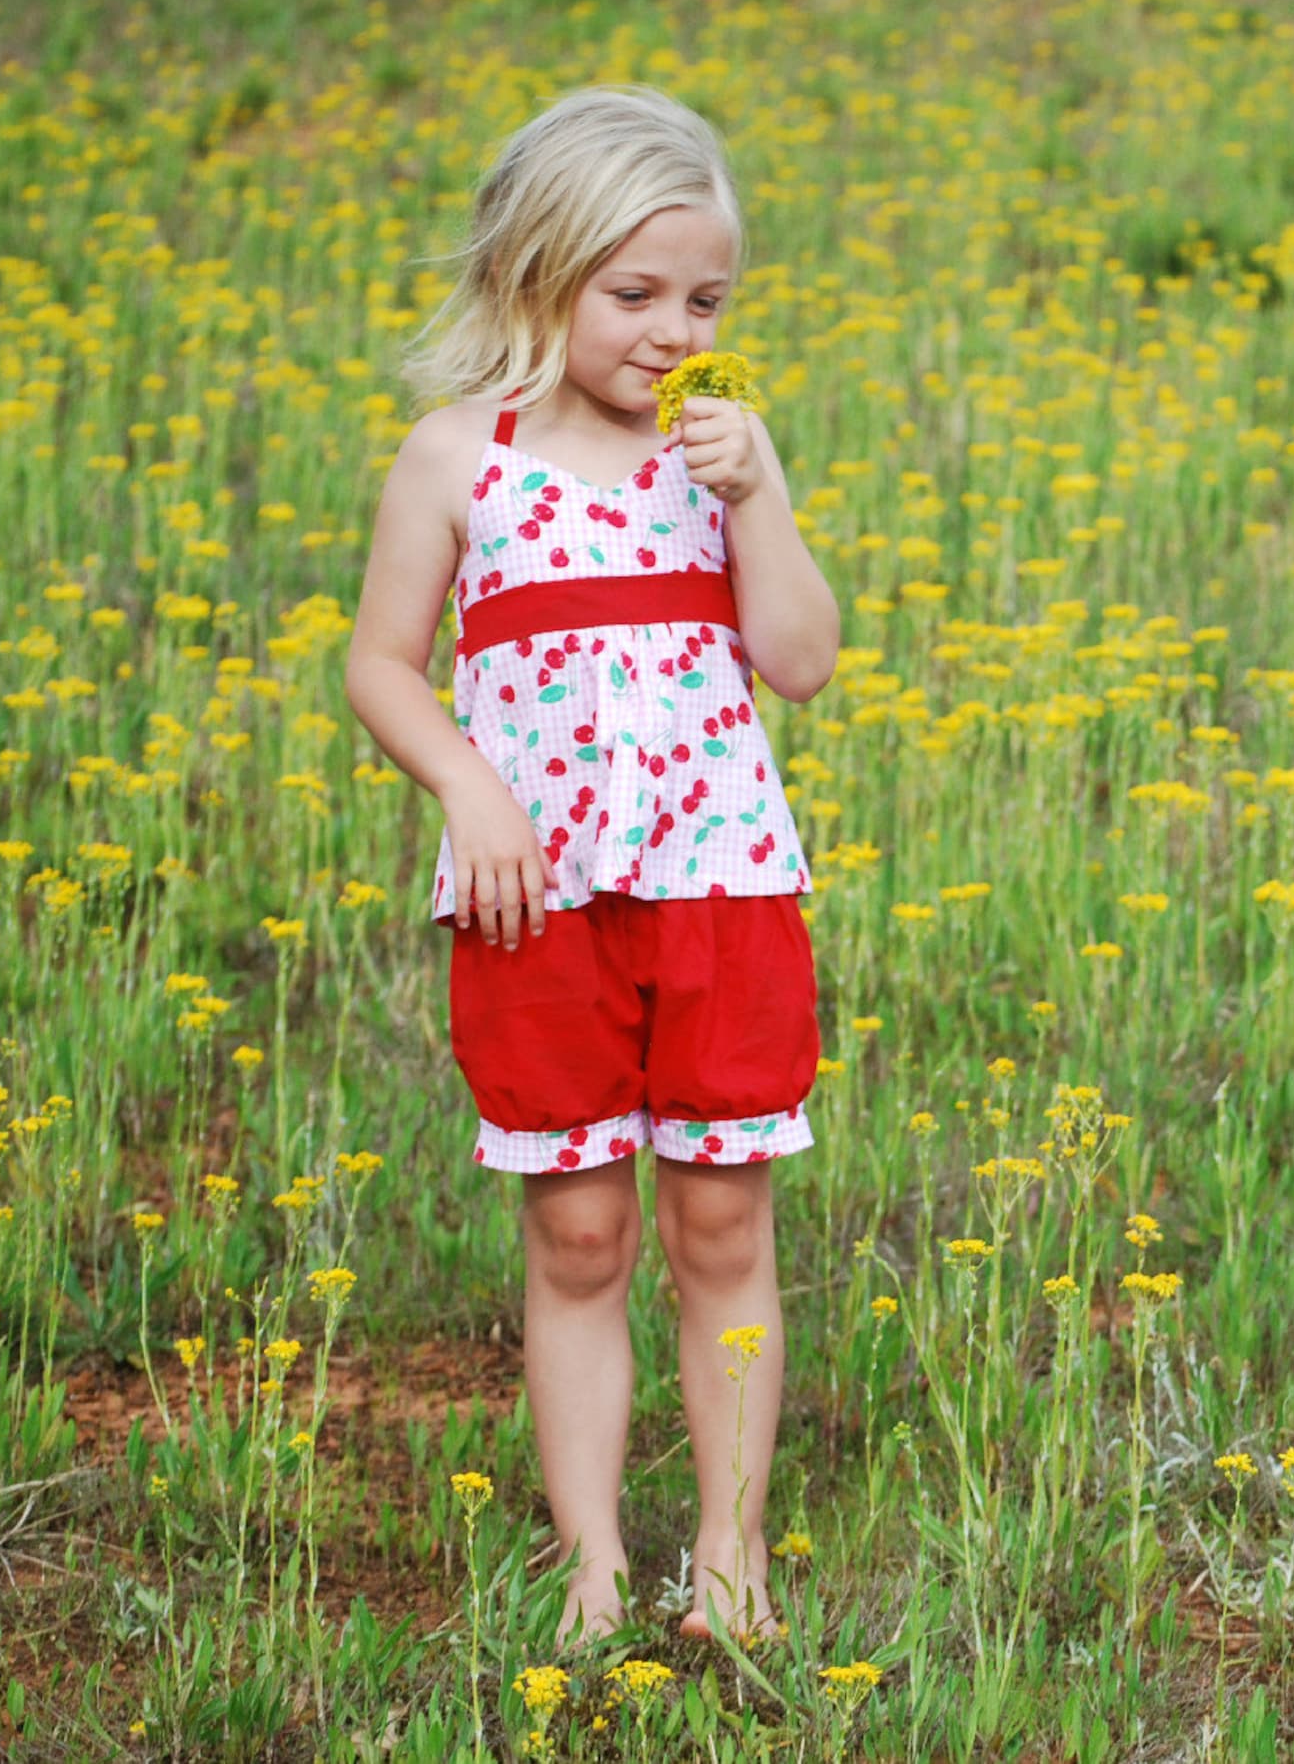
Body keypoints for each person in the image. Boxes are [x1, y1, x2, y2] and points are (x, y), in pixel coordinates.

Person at [344, 86, 840, 1643]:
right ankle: (594, 1561)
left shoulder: (719, 460)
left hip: (721, 890)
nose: (674, 330)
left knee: (721, 1224)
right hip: (532, 902)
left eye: (706, 300)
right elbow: (380, 665)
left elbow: (802, 661)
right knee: (579, 1234)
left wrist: (759, 495)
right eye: (635, 295)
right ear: (533, 275)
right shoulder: (456, 460)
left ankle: (732, 1559)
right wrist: (469, 791)